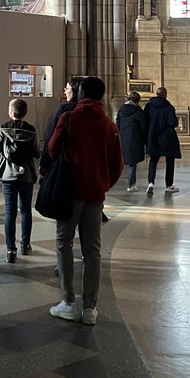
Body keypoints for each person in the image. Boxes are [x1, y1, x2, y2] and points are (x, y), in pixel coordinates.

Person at [47, 76, 123, 326]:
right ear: (101, 97)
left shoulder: (68, 119)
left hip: (70, 192)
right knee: (93, 251)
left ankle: (67, 302)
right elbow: (117, 164)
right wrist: (103, 183)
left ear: (80, 94)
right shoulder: (109, 126)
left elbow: (52, 149)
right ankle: (90, 308)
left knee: (63, 243)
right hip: (95, 195)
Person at [0, 98, 40, 263]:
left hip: (8, 175)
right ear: (25, 112)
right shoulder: (31, 130)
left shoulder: (3, 128)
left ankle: (11, 249)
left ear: (11, 112)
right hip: (26, 175)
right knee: (26, 210)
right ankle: (25, 245)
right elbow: (36, 153)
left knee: (10, 212)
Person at [40, 76, 83, 172]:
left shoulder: (65, 110)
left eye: (67, 88)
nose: (65, 92)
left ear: (75, 91)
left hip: (65, 164)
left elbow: (52, 136)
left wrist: (44, 163)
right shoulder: (94, 112)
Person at [145, 87, 181, 195]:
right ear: (165, 95)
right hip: (167, 137)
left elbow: (145, 120)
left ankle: (151, 183)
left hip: (152, 136)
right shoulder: (168, 107)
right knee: (170, 161)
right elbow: (172, 122)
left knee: (153, 161)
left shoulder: (149, 106)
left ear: (156, 94)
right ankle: (168, 185)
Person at [117, 91, 148, 192]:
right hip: (135, 138)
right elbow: (143, 126)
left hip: (123, 138)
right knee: (132, 163)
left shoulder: (121, 110)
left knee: (123, 160)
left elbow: (117, 124)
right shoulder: (138, 111)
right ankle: (131, 184)